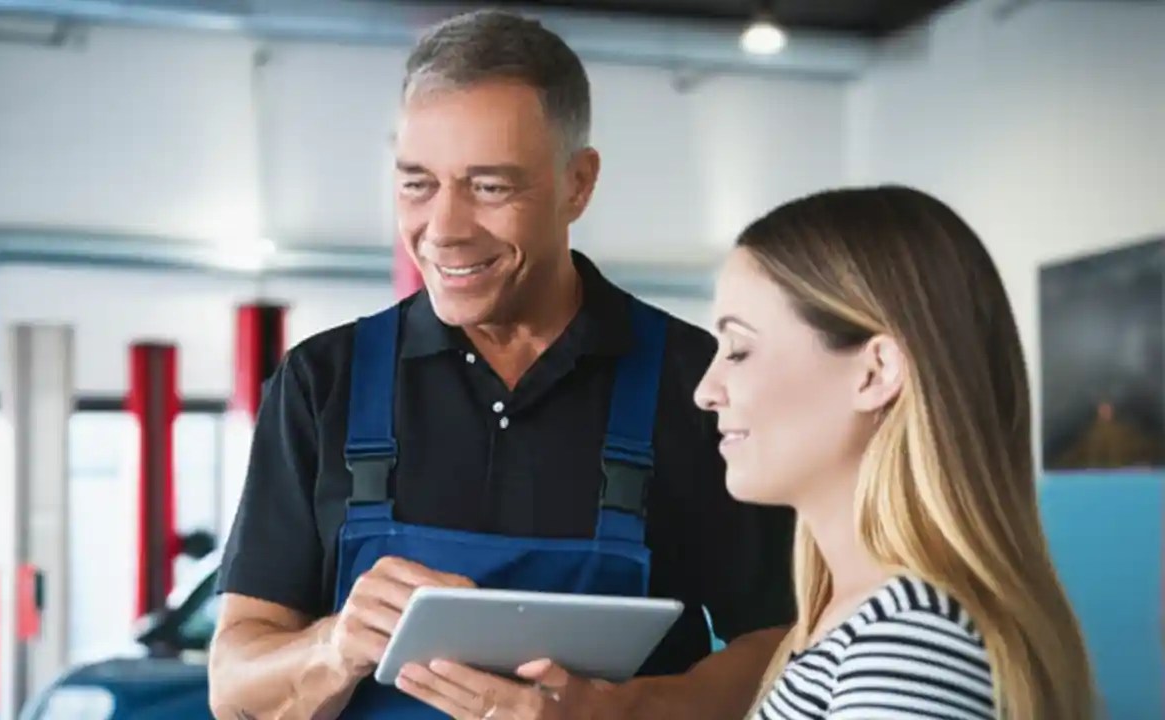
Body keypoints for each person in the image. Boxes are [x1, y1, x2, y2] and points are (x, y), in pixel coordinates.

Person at [207, 9, 796, 720]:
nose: (445, 230)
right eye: (417, 184)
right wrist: (333, 647)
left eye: (489, 187)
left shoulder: (694, 383)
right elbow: (234, 689)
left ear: (578, 183)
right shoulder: (319, 385)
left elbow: (782, 647)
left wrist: (622, 711)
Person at [693, 185, 1096, 719]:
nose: (706, 389)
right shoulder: (847, 624)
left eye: (739, 350)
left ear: (875, 373)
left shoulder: (908, 640)